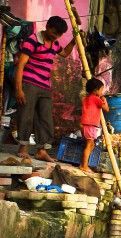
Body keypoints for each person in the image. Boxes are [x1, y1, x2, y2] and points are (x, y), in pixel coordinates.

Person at [15, 16, 77, 162]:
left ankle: (41, 150)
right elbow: (21, 65)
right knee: (26, 115)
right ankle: (23, 147)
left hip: (45, 86)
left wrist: (74, 41)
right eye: (54, 32)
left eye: (59, 35)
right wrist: (19, 89)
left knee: (45, 118)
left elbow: (65, 53)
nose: (56, 36)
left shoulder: (55, 44)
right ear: (47, 26)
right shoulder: (33, 40)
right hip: (29, 83)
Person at [79, 78, 108, 173]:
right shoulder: (96, 99)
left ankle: (83, 163)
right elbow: (106, 109)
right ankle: (84, 166)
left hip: (85, 124)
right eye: (101, 89)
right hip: (90, 124)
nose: (102, 92)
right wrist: (104, 99)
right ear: (96, 90)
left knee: (91, 144)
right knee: (89, 144)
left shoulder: (86, 98)